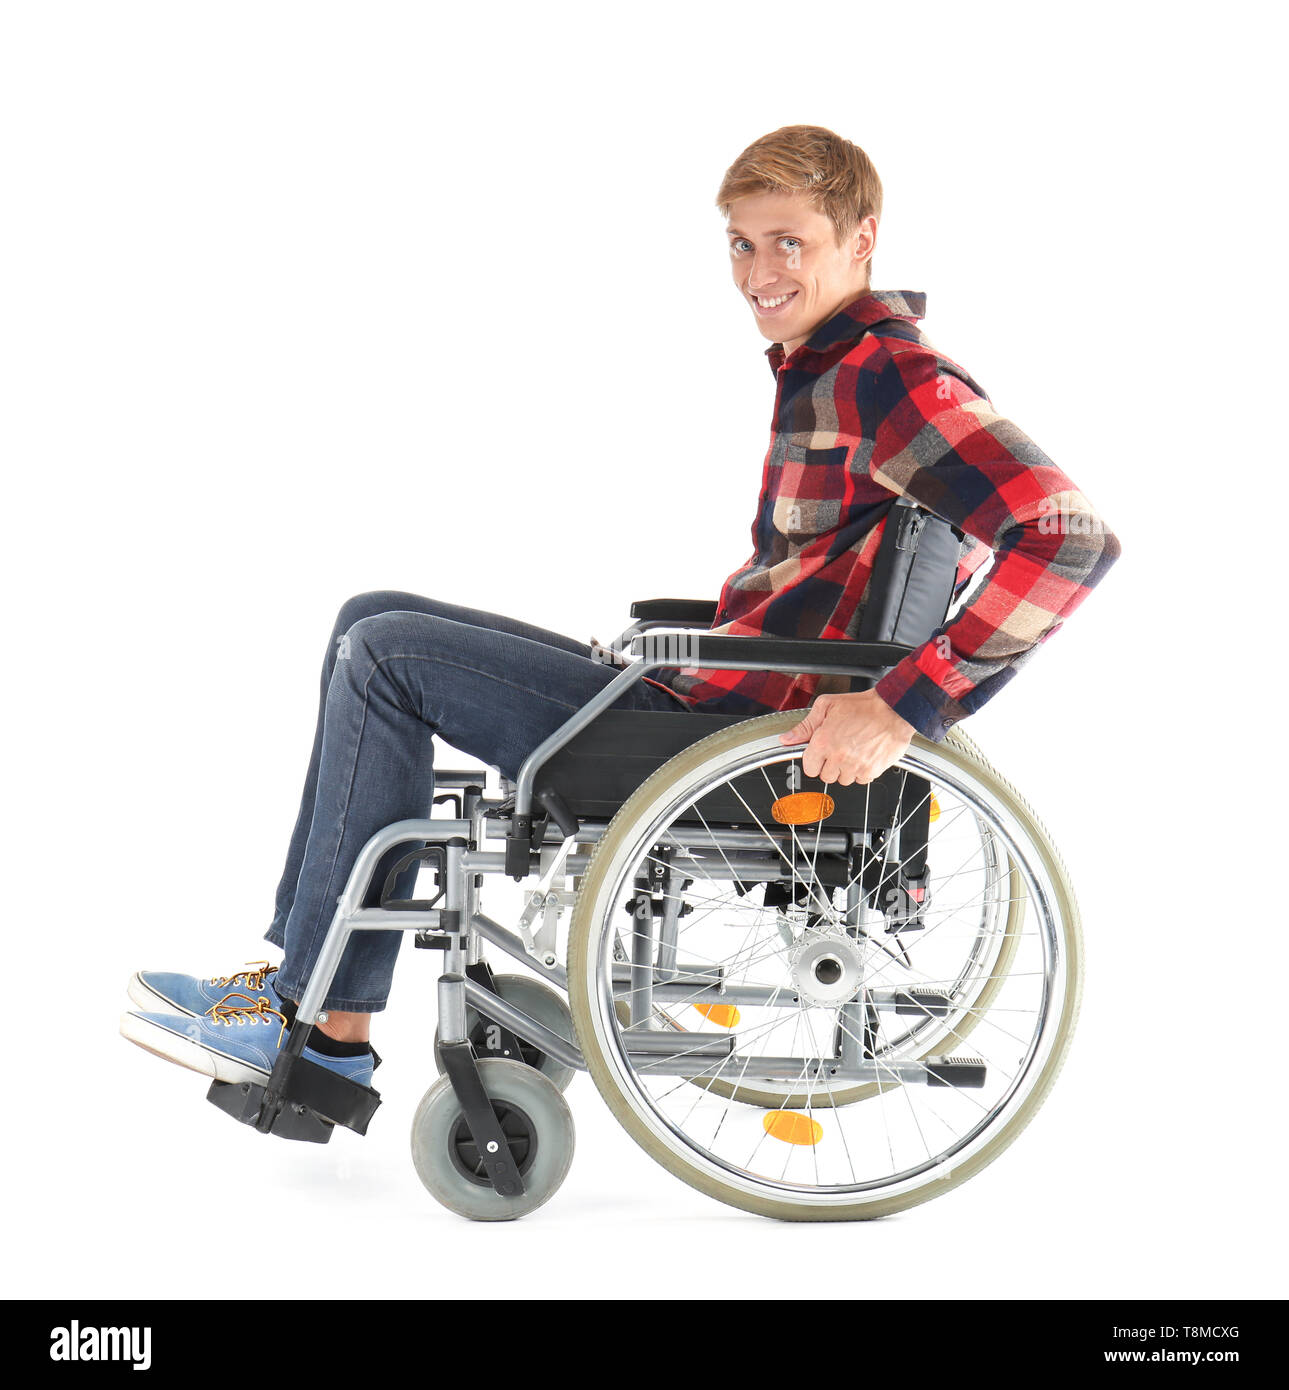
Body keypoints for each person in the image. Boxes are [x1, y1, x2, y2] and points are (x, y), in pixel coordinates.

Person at [120, 123, 1120, 1091]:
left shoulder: (886, 377)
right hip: (711, 699)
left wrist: (905, 705)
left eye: (788, 243)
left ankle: (320, 1021)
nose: (757, 271)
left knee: (382, 655)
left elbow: (1068, 536)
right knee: (366, 616)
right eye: (740, 242)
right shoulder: (829, 366)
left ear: (861, 240)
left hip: (726, 740)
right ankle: (302, 992)